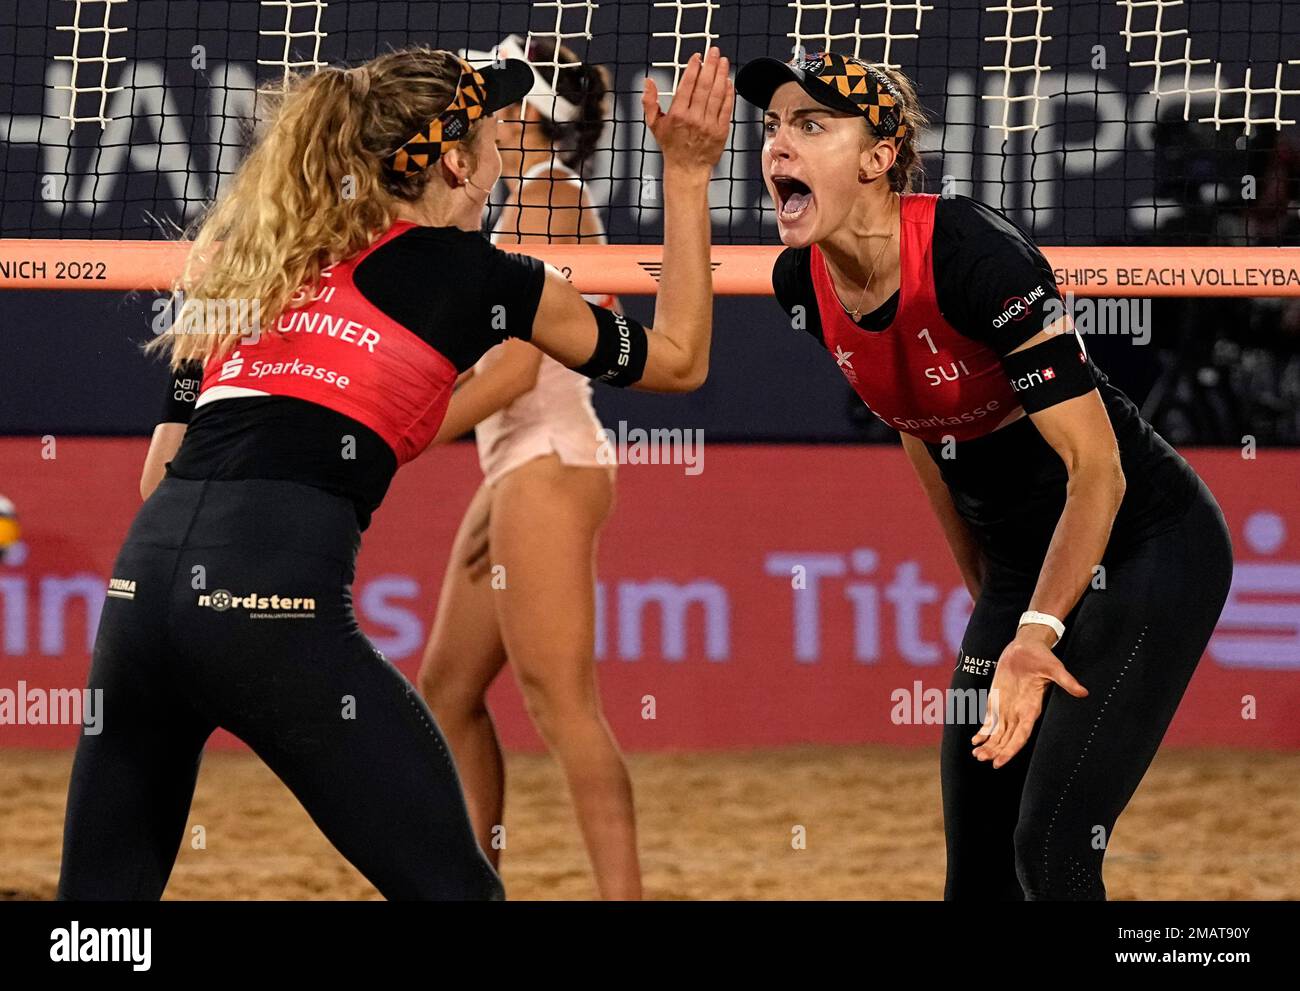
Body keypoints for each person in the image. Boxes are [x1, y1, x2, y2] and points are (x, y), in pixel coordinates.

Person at [60, 44, 733, 900]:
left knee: (98, 921)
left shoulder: (262, 260)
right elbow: (678, 360)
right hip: (272, 604)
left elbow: (159, 472)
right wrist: (686, 174)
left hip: (139, 597)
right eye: (491, 133)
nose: (501, 156)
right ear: (455, 158)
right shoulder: (478, 275)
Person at [736, 50, 1233, 900]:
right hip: (1023, 575)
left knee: (1051, 844)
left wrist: (1033, 631)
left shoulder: (969, 253)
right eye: (773, 126)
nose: (777, 145)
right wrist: (993, 595)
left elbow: (1098, 470)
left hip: (1147, 543)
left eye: (811, 125)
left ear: (878, 156)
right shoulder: (801, 282)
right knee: (977, 866)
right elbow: (916, 429)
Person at [416, 36, 641, 899]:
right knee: (446, 688)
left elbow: (513, 370)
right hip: (523, 461)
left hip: (549, 457)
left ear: (526, 116)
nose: (478, 111)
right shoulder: (527, 205)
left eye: (495, 103)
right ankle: (477, 886)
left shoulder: (548, 204)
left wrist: (410, 429)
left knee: (563, 706)